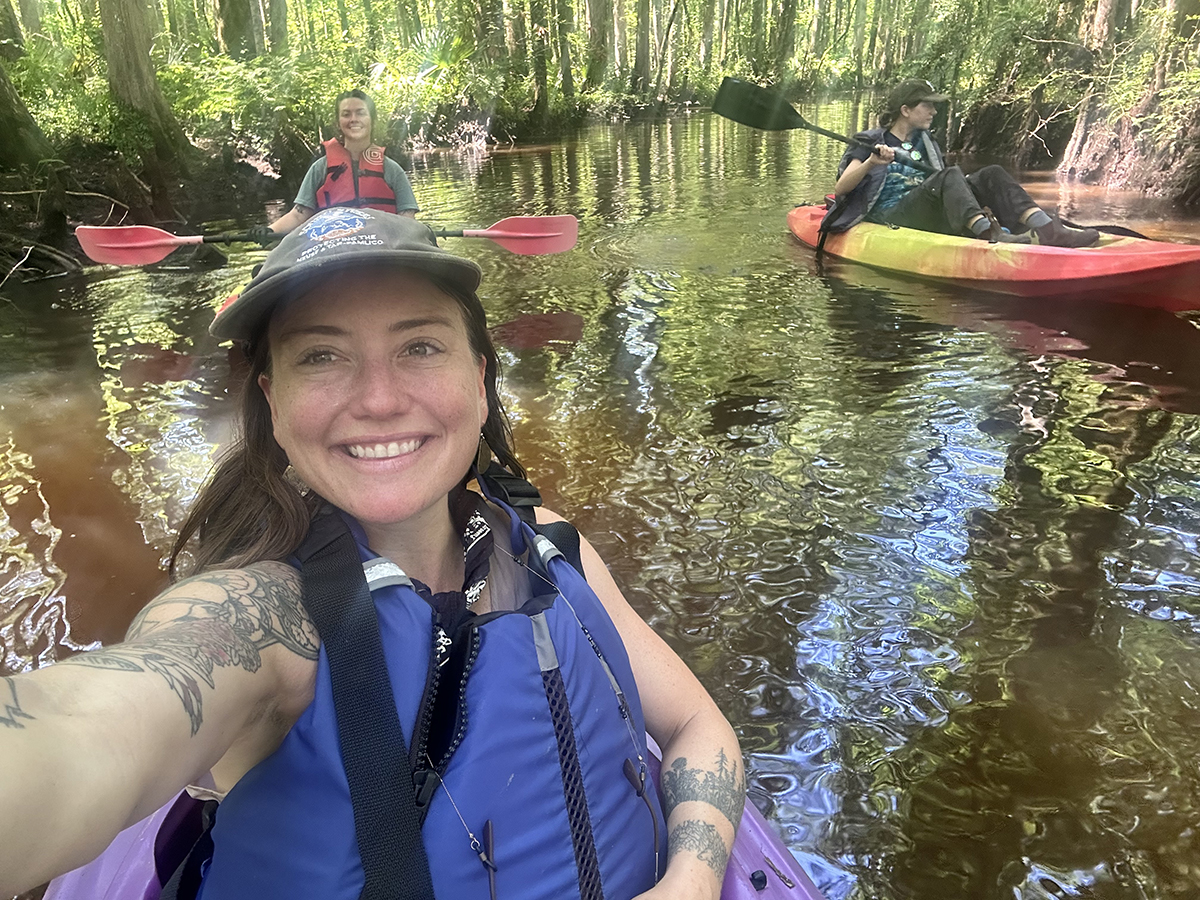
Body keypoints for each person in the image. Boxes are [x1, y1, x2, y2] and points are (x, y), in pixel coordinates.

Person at [0, 208, 745, 900]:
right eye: (322, 356)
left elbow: (694, 727)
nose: (380, 399)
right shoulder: (257, 620)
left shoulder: (544, 542)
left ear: (480, 381)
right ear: (274, 405)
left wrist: (692, 877)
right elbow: (82, 727)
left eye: (419, 346)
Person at [823, 78, 1100, 248]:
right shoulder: (870, 140)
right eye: (927, 105)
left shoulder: (926, 141)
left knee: (990, 174)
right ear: (905, 110)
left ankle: (1048, 230)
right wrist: (871, 162)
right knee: (950, 175)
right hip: (893, 216)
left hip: (928, 210)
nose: (933, 111)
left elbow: (946, 186)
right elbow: (842, 187)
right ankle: (987, 235)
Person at [250, 90, 420, 243]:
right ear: (338, 122)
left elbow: (407, 218)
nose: (354, 119)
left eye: (360, 113)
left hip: (382, 247)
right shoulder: (320, 169)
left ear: (372, 120)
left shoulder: (392, 170)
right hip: (334, 249)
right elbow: (298, 215)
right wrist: (269, 231)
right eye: (346, 114)